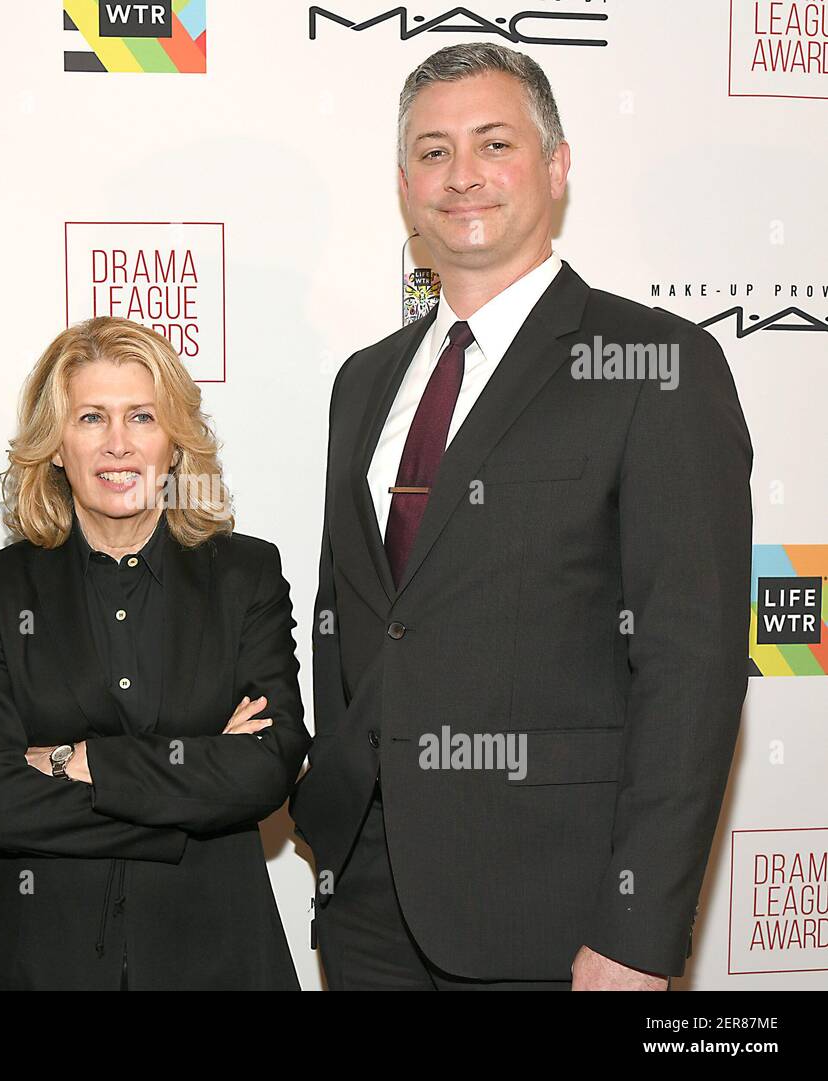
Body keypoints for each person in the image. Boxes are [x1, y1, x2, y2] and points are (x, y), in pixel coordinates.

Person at [290, 43, 753, 990]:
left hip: (558, 915)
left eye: (493, 143)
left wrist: (638, 930)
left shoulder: (657, 364)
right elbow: (359, 613)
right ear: (405, 183)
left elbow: (692, 662)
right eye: (432, 151)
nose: (461, 175)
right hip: (370, 904)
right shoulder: (365, 379)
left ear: (557, 165)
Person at [0, 316, 309, 990]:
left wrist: (71, 760)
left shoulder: (245, 576)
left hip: (220, 955)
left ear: (174, 440)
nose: (118, 444)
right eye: (91, 418)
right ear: (55, 444)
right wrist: (192, 797)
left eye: (141, 416)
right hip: (40, 959)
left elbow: (267, 766)